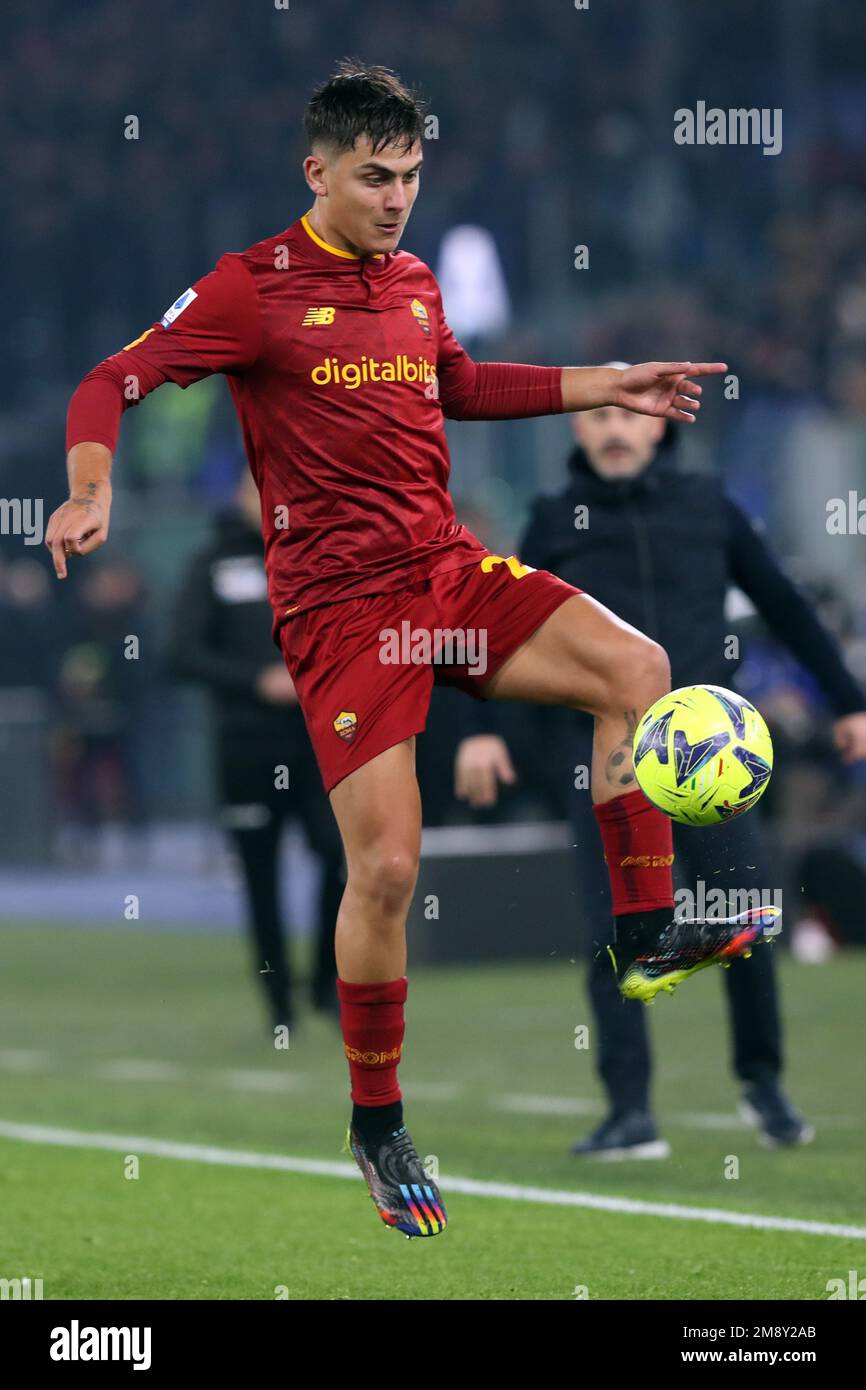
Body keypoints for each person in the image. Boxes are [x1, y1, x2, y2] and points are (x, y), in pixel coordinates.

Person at [49, 60, 756, 1239]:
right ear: (314, 170)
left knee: (636, 670)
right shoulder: (249, 289)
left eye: (412, 177)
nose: (394, 199)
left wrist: (605, 381)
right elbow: (109, 379)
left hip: (440, 568)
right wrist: (87, 489)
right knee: (383, 871)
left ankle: (641, 931)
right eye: (374, 177)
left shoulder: (416, 281)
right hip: (338, 613)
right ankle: (376, 1117)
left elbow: (461, 384)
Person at [455, 389, 866, 1154]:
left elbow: (783, 604)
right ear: (581, 426)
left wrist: (848, 702)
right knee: (616, 934)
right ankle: (630, 1112)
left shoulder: (707, 505)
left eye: (630, 417)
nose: (616, 430)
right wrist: (483, 731)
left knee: (744, 920)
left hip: (710, 759)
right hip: (605, 759)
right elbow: (498, 626)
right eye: (602, 416)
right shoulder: (555, 519)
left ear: (657, 426)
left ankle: (763, 1084)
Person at [166, 469, 343, 1033]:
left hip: (316, 743)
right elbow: (181, 654)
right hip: (247, 748)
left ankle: (327, 983)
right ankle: (278, 1003)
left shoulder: (318, 560)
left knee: (339, 859)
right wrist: (257, 682)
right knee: (260, 876)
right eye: (259, 491)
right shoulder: (212, 565)